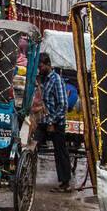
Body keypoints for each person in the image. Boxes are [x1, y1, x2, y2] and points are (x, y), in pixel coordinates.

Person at [35, 52, 72, 192]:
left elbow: (63, 104)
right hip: (43, 121)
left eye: (41, 66)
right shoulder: (42, 79)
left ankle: (65, 183)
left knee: (60, 152)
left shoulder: (56, 80)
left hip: (56, 123)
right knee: (32, 146)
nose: (39, 69)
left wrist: (52, 122)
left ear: (47, 65)